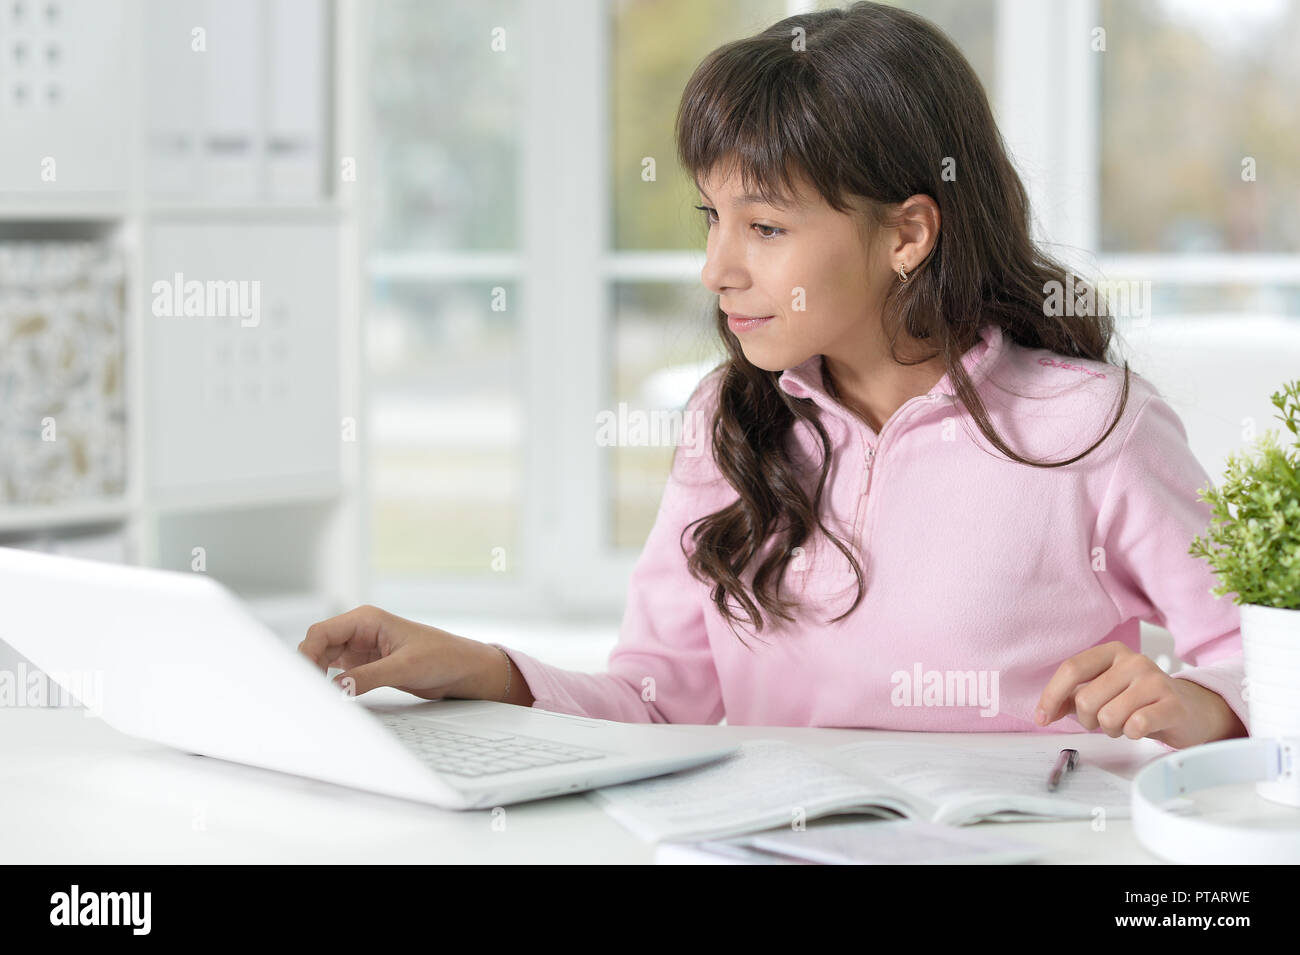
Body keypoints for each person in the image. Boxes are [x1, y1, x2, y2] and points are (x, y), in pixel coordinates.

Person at [298, 1, 1248, 751]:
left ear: (908, 233)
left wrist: (1196, 705)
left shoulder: (1091, 425)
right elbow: (655, 697)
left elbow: (1262, 664)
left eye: (765, 227)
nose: (718, 268)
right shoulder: (729, 422)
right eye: (710, 217)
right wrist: (482, 666)